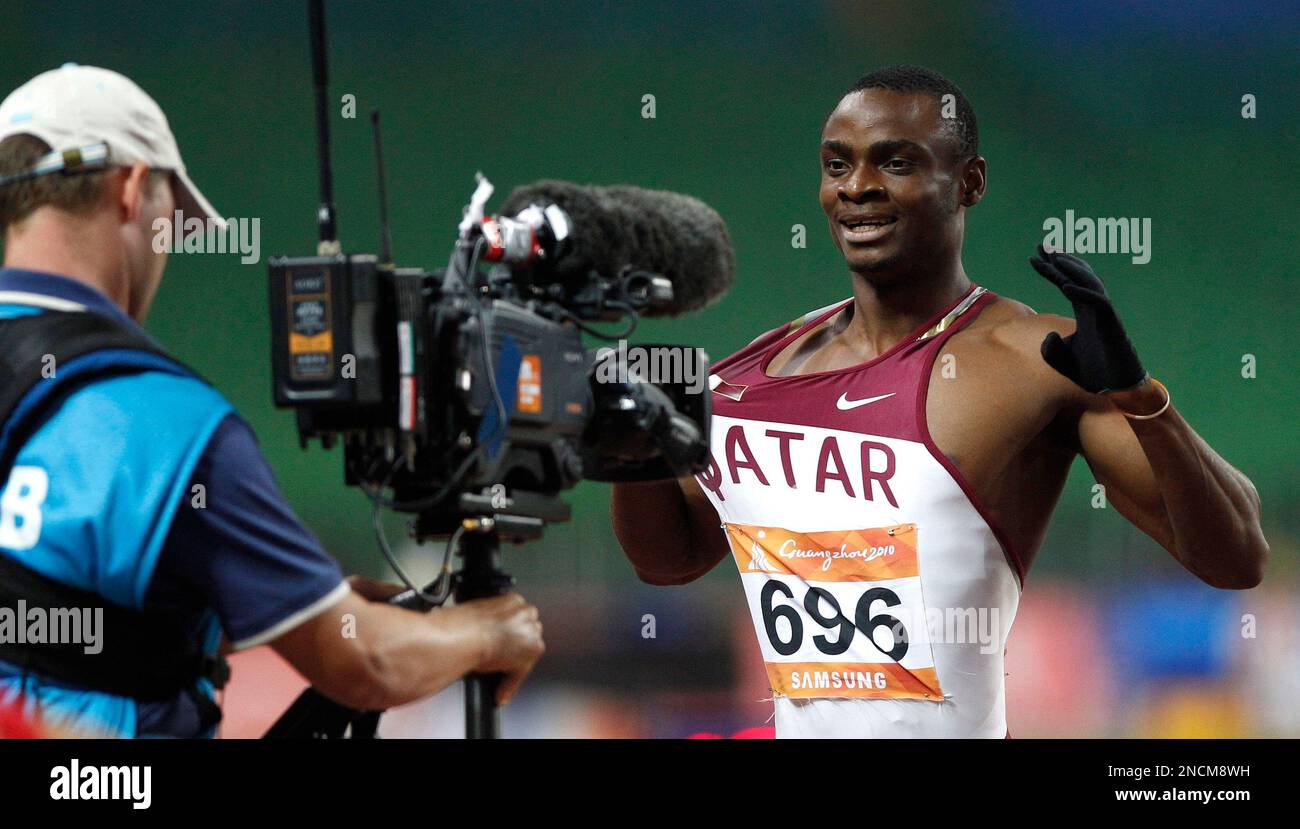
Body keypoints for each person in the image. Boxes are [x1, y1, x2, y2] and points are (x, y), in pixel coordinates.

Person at [611, 65, 1267, 738]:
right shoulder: (749, 377)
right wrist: (630, 452)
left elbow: (1237, 555)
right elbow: (670, 560)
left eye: (895, 162)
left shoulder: (1035, 362)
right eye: (837, 165)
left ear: (969, 182)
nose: (857, 186)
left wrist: (1139, 396)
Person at [0, 64, 543, 738]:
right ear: (133, 188)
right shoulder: (169, 427)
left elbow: (63, 617)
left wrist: (291, 601)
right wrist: (491, 630)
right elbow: (365, 661)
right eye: (173, 218)